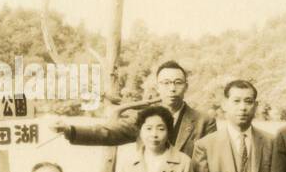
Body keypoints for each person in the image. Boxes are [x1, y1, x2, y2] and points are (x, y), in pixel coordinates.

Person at [55, 60, 216, 157]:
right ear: (158, 87)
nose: (172, 88)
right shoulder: (143, 117)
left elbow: (209, 165)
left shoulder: (204, 122)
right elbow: (107, 133)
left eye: (177, 83)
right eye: (166, 83)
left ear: (186, 86)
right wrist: (70, 130)